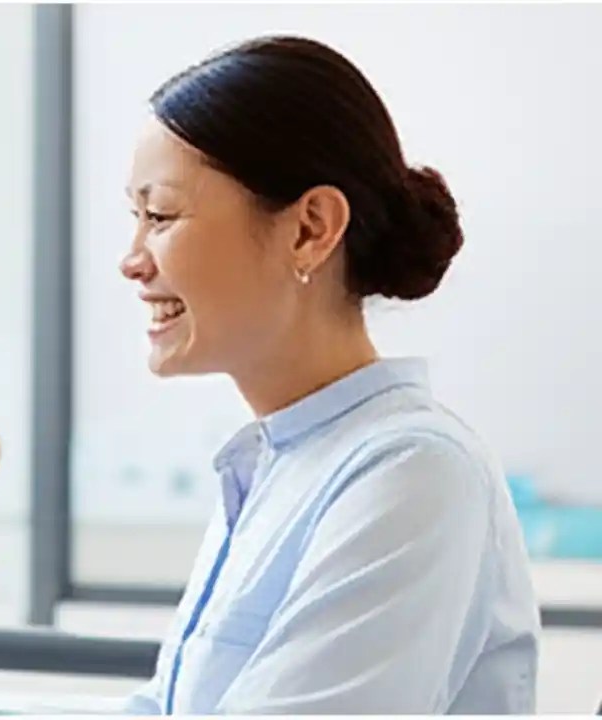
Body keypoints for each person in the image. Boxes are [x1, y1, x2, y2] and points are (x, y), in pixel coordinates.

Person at [119, 36, 539, 714]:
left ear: (310, 229)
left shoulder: (412, 472)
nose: (132, 260)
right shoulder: (276, 467)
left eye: (161, 215)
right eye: (135, 218)